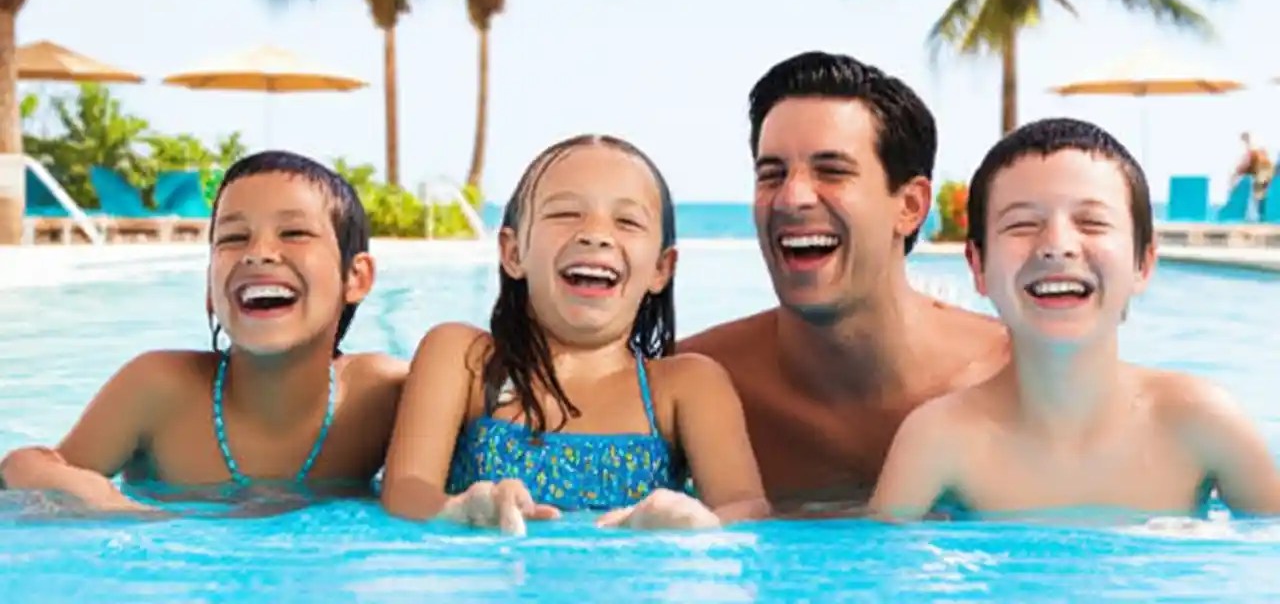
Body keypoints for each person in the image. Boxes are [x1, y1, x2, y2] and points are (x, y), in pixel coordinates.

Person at [870, 118, 1280, 521]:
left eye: (1092, 223)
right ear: (977, 266)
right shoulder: (940, 439)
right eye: (1022, 224)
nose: (1058, 246)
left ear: (1143, 262)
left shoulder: (1200, 422)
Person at [380, 134, 767, 534]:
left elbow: (745, 508)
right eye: (565, 213)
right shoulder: (465, 359)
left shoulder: (685, 387)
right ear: (513, 253)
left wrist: (689, 522)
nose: (595, 234)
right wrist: (457, 510)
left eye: (628, 221)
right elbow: (406, 491)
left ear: (661, 268)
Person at [677, 51, 1009, 510]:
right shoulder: (696, 389)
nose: (791, 198)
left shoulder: (1008, 379)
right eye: (771, 174)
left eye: (832, 171)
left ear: (910, 206)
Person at [0, 151, 408, 513]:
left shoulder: (379, 395)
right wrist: (106, 501)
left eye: (294, 233)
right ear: (211, 292)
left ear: (356, 278)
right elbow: (26, 468)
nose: (258, 252)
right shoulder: (160, 389)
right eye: (233, 237)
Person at [1233, 131, 1274, 220]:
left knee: (1259, 192)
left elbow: (1247, 161)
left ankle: (1259, 215)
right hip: (1261, 171)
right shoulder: (1252, 150)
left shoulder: (1253, 150)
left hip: (1263, 170)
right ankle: (1258, 215)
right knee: (1258, 194)